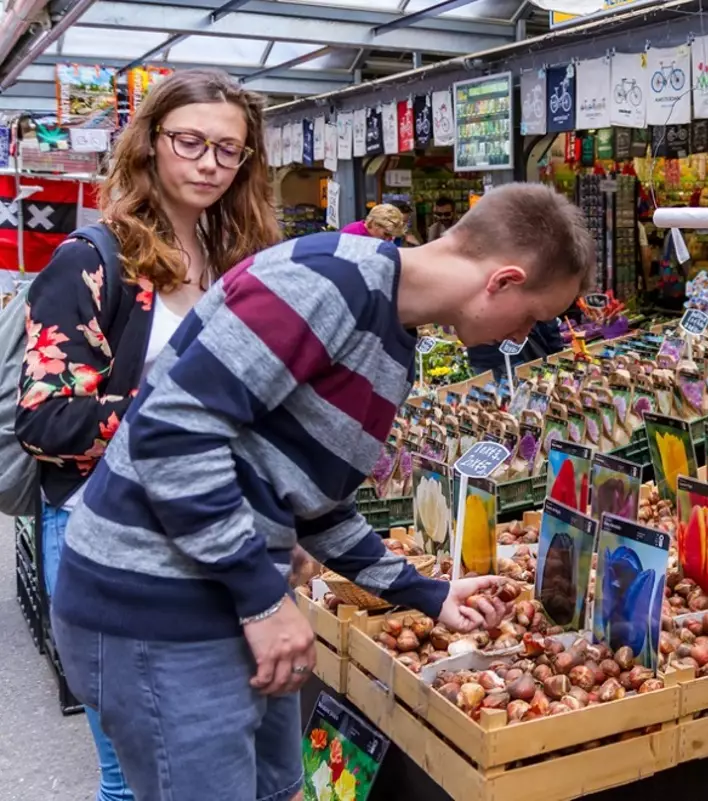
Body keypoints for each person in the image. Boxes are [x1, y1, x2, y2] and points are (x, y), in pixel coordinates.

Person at [52, 182, 595, 801]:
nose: (521, 337)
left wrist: (425, 592)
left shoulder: (394, 338)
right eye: (531, 318)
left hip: (225, 600)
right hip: (157, 607)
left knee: (278, 789)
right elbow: (170, 438)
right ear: (501, 279)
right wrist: (262, 600)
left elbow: (309, 496)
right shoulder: (324, 282)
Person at [16, 68, 280, 801]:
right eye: (190, 141)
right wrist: (181, 413)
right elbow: (45, 418)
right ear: (149, 144)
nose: (209, 163)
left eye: (230, 151)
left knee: (213, 756)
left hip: (213, 537)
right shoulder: (93, 261)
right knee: (136, 777)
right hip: (110, 537)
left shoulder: (235, 265)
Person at [467, 318, 565, 380]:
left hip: (481, 356)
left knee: (496, 404)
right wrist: (556, 348)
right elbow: (546, 318)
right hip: (512, 355)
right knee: (524, 397)